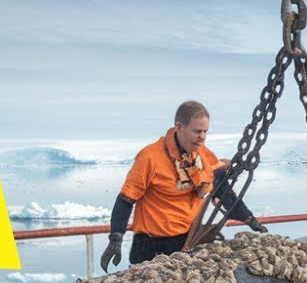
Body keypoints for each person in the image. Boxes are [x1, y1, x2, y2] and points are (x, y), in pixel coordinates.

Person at [100, 101, 267, 272]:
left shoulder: (202, 154)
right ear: (179, 127)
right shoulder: (149, 157)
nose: (202, 137)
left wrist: (248, 219)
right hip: (150, 247)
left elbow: (222, 188)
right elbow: (126, 199)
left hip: (188, 242)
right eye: (197, 131)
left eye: (205, 132)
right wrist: (116, 239)